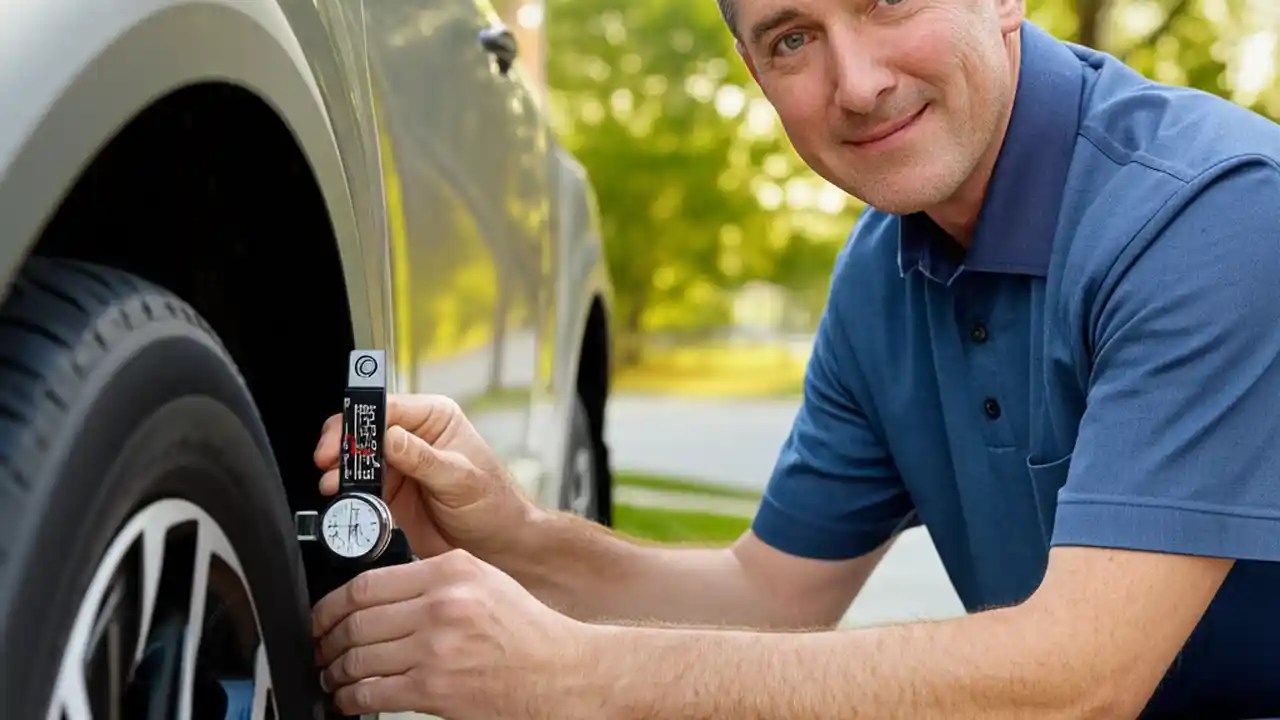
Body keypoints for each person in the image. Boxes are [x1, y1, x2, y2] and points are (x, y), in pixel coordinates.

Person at [309, 0, 1280, 717]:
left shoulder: (1212, 213)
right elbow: (769, 597)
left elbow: (1079, 683)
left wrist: (578, 677)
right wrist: (515, 536)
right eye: (791, 39)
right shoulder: (883, 271)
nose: (856, 84)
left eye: (885, 1)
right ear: (753, 70)